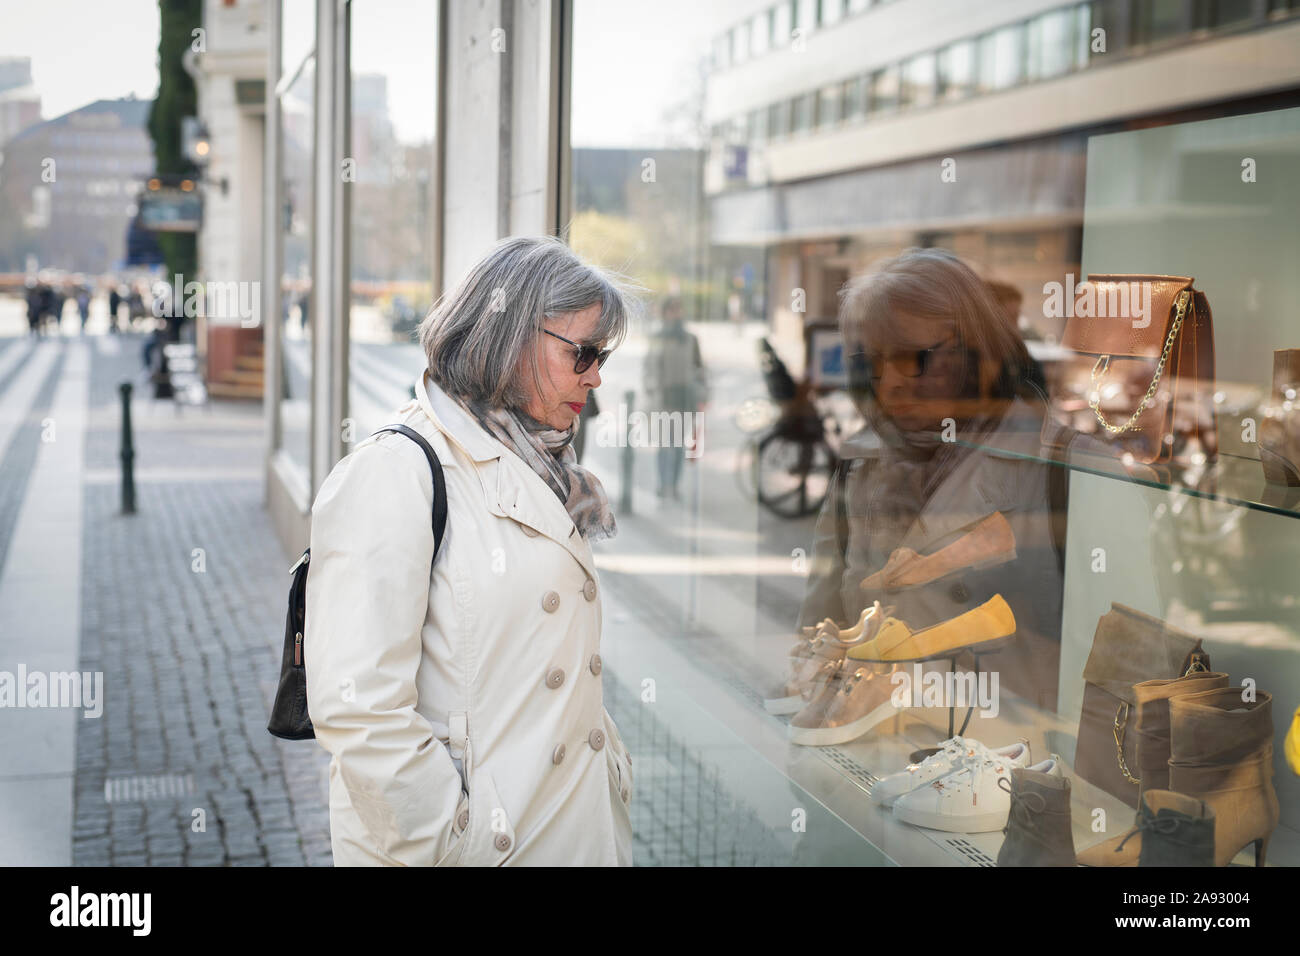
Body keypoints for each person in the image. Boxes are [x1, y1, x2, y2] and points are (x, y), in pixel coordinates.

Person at [305, 236, 634, 866]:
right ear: (510, 339)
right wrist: (455, 838)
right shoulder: (395, 472)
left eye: (603, 356)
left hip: (568, 828)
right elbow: (358, 706)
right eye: (583, 352)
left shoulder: (544, 464)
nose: (595, 376)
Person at [795, 248, 1065, 712]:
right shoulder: (862, 460)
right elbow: (823, 623)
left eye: (913, 358)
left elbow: (1119, 676)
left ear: (978, 354)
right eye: (872, 363)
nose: (890, 384)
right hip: (868, 744)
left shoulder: (1061, 469)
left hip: (1005, 761)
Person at [642, 295, 707, 500]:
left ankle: (675, 485)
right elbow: (649, 369)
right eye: (671, 309)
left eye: (678, 309)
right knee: (663, 445)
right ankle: (663, 484)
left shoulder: (690, 339)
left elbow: (700, 368)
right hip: (663, 399)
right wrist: (651, 391)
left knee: (678, 445)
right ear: (664, 313)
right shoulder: (657, 338)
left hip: (684, 399)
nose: (675, 313)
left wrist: (702, 393)